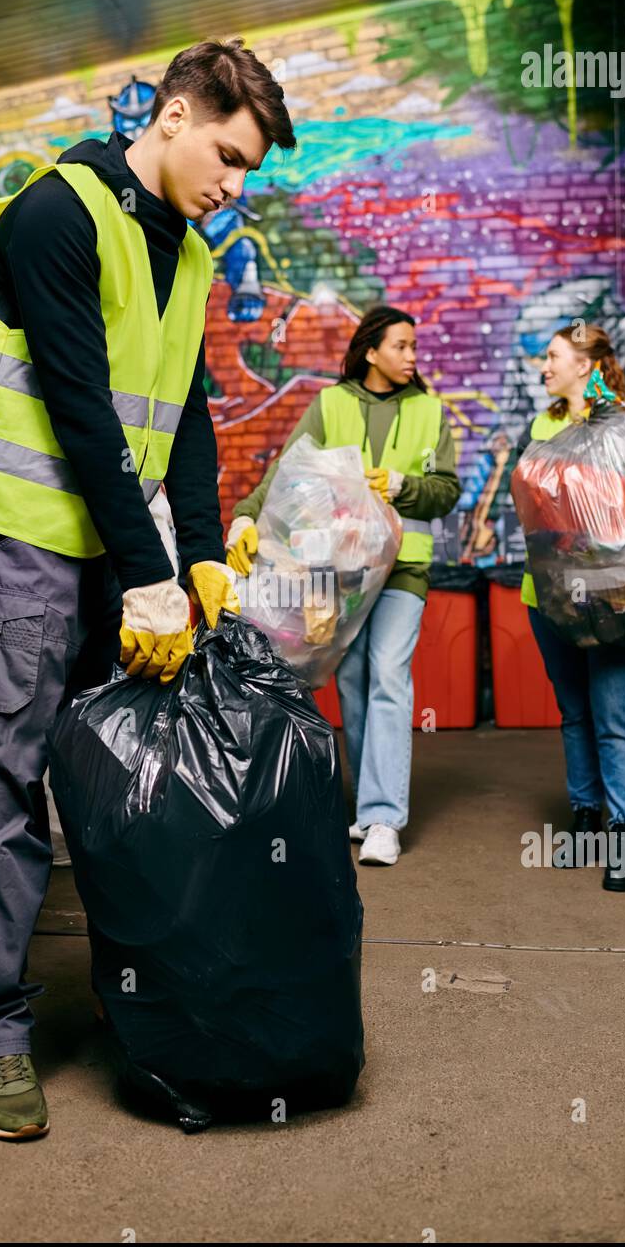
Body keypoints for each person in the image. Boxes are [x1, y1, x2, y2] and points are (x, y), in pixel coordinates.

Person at [0, 38, 296, 1139]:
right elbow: (84, 411)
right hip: (28, 547)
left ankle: (142, 1015)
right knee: (6, 788)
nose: (233, 185)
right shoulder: (57, 212)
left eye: (248, 172)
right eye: (228, 156)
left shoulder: (186, 253)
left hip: (120, 561)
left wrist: (198, 560)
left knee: (123, 788)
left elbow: (178, 419)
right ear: (175, 115)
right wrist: (149, 579)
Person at [226, 306, 460, 866]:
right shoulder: (331, 404)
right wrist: (245, 515)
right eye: (401, 346)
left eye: (414, 347)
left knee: (387, 675)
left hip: (403, 567)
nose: (412, 357)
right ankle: (365, 806)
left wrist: (405, 485)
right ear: (372, 350)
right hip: (339, 572)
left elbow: (446, 492)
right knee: (352, 681)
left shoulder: (429, 412)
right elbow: (288, 470)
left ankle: (383, 817)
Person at [514, 324, 625, 892]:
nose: (544, 366)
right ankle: (587, 818)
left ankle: (624, 833)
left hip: (614, 595)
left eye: (553, 357)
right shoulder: (544, 425)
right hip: (546, 595)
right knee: (574, 713)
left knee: (614, 716)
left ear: (586, 364)